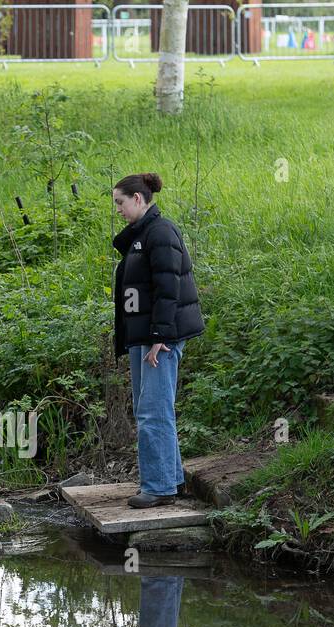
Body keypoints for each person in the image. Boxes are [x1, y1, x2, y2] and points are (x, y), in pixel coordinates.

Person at [111, 173, 205, 510]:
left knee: (154, 411)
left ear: (138, 199)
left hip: (159, 340)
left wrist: (159, 336)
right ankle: (171, 478)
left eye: (120, 203)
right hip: (145, 338)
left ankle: (159, 487)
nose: (117, 210)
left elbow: (170, 289)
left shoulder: (160, 232)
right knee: (148, 409)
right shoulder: (143, 234)